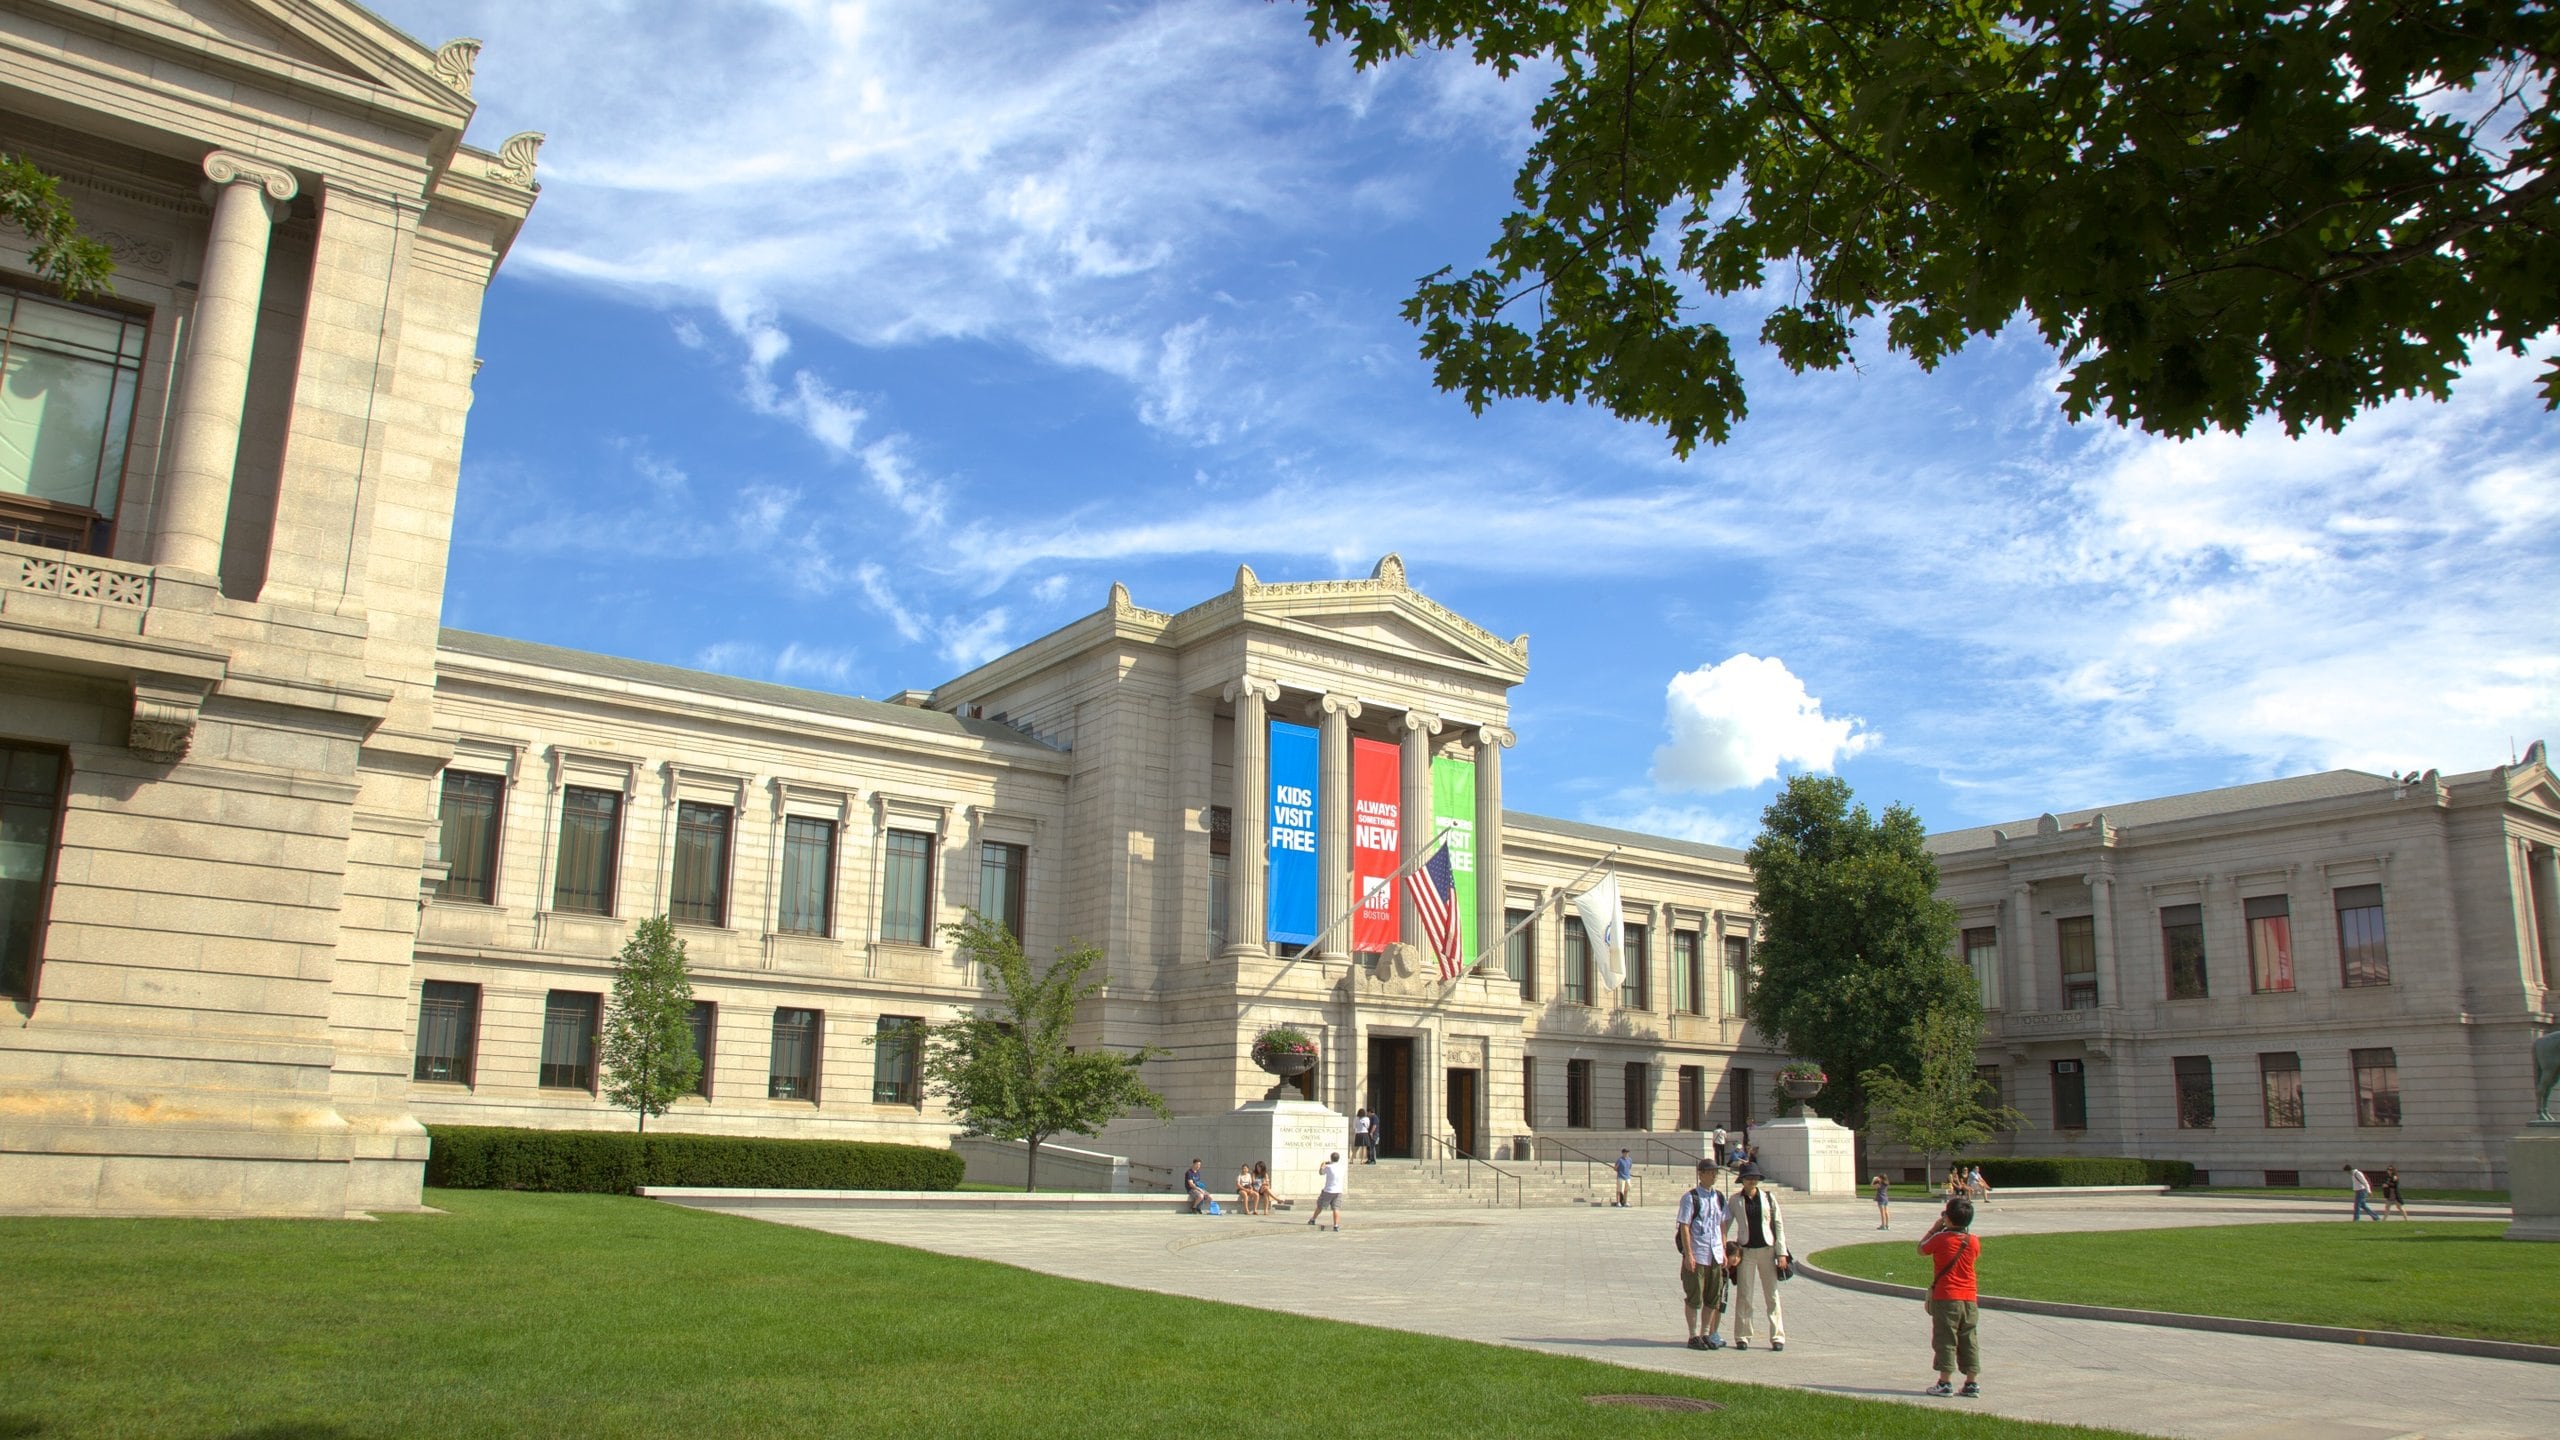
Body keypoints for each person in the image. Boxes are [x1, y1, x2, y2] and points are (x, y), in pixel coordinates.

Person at [1919, 1196, 1982, 1398]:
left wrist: (1935, 1228)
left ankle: (1945, 1382)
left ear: (1949, 1218)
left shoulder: (1940, 1239)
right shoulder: (1973, 1241)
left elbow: (1921, 1249)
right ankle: (1971, 1383)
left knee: (1945, 1338)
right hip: (1970, 1297)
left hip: (1946, 1296)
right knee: (1969, 1338)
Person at [1675, 1158, 1737, 1351]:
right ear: (1700, 1174)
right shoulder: (1690, 1198)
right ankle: (1693, 1334)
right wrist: (1688, 1254)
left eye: (1715, 1172)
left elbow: (1722, 1225)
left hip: (1715, 1254)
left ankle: (1706, 1332)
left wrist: (1724, 1249)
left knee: (1713, 1295)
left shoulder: (1718, 1197)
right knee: (1695, 1295)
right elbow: (1684, 1226)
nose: (1714, 1175)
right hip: (1698, 1253)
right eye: (1710, 1172)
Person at [1726, 1165, 1790, 1351]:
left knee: (1772, 1295)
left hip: (1767, 1251)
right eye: (1748, 1178)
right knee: (1745, 1294)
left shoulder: (1768, 1198)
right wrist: (1725, 1250)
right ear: (1742, 1180)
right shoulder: (1735, 1200)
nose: (1751, 1181)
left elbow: (1778, 1225)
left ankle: (1777, 1336)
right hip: (1746, 1252)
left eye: (1754, 1178)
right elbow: (1726, 1224)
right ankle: (1742, 1336)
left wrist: (1782, 1253)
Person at [1309, 1151, 1347, 1231]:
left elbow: (1321, 1173)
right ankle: (1336, 1225)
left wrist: (1322, 1165)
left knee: (1320, 1206)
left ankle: (1313, 1219)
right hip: (1338, 1191)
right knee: (1336, 1208)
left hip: (1328, 1190)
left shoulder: (1328, 1167)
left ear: (1331, 1158)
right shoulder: (1342, 1167)